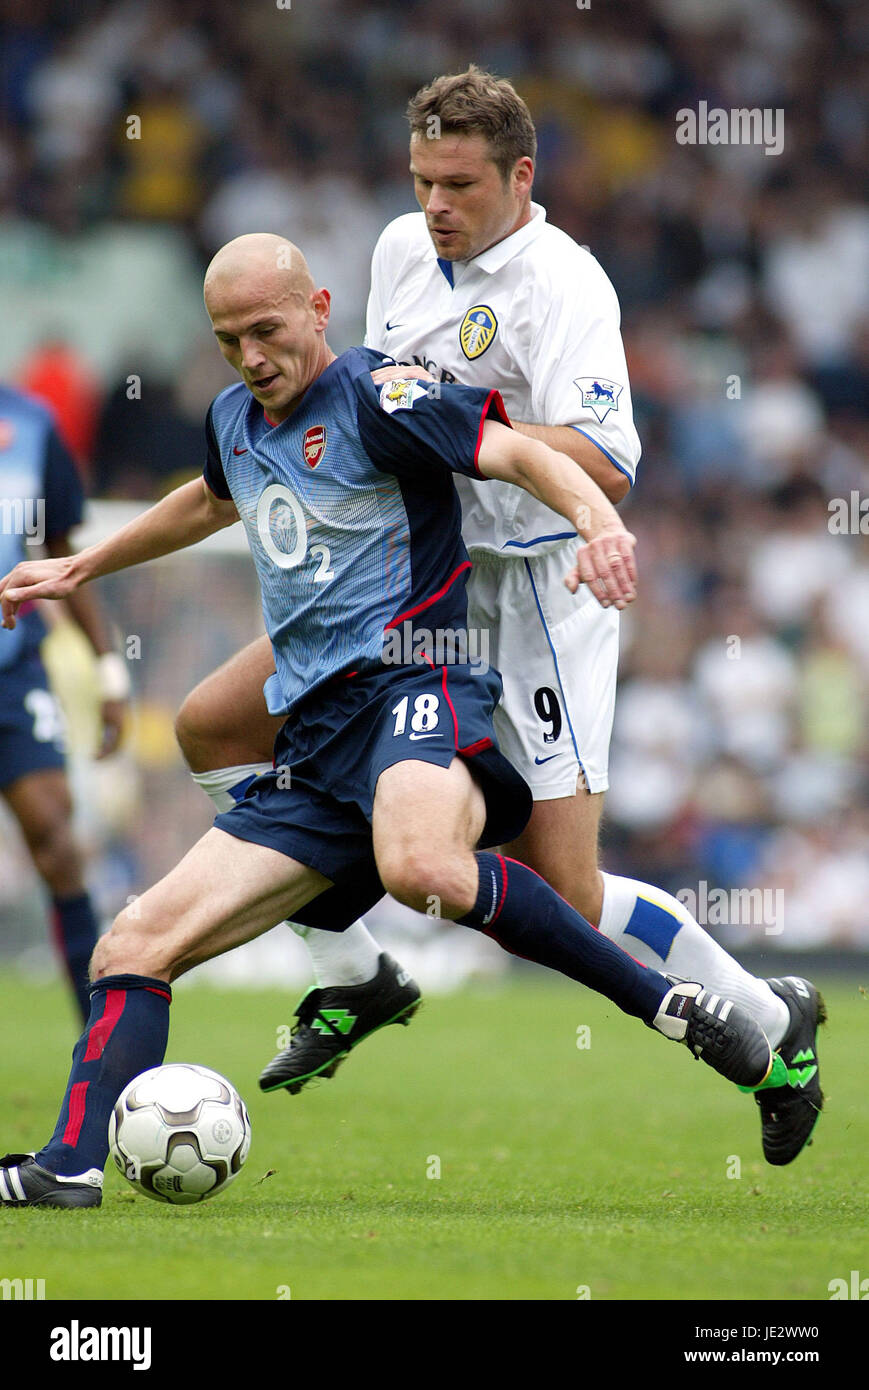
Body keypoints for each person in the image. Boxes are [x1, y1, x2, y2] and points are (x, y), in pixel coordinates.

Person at [0, 235, 774, 1208]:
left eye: (268, 331)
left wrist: (598, 523)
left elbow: (516, 451)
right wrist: (79, 567)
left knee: (420, 869)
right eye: (229, 338)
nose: (250, 356)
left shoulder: (379, 394)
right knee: (134, 941)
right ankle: (67, 1166)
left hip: (419, 684)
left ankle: (672, 1005)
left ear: (320, 308)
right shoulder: (234, 416)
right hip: (318, 743)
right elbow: (207, 502)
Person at [174, 70, 824, 1167]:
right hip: (407, 584)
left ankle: (767, 1018)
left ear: (520, 176)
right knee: (212, 727)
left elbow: (607, 459)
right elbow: (370, 404)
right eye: (422, 178)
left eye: (460, 184)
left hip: (531, 590)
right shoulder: (394, 252)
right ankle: (354, 972)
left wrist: (475, 434)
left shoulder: (562, 286)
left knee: (560, 884)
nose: (434, 204)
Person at [0, 383, 128, 1024]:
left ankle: (98, 1034)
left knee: (54, 832)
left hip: (11, 667)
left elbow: (60, 552)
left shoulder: (29, 422)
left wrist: (109, 670)